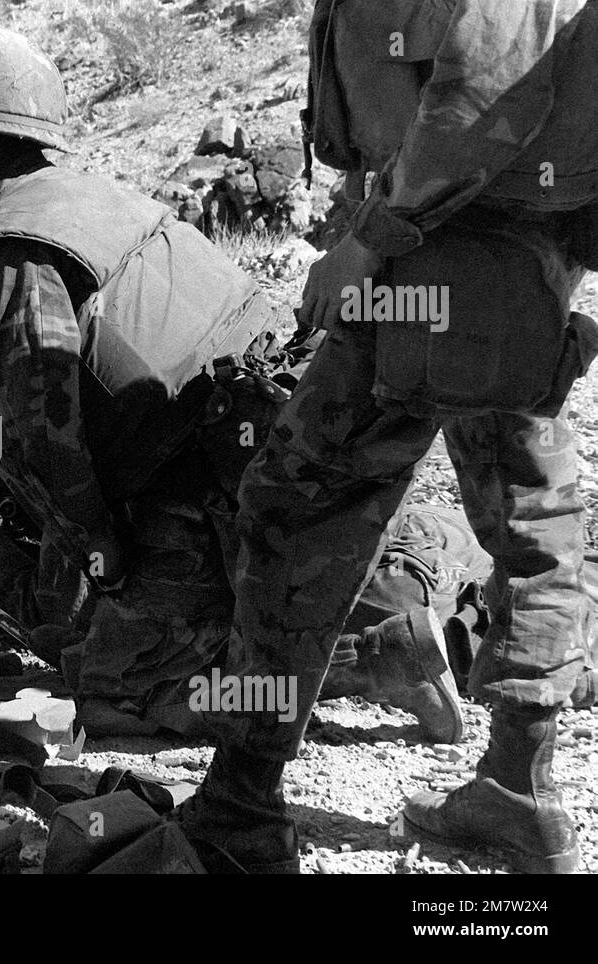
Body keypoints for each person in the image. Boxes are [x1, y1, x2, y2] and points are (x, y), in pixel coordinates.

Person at [0, 25, 466, 744]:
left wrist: (98, 557)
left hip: (204, 483)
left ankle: (376, 660)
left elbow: (51, 434)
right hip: (272, 440)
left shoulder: (13, 251)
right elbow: (59, 378)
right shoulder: (85, 197)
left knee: (114, 684)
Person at [170, 0, 598, 874]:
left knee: (297, 503)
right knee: (532, 508)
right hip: (512, 254)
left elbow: (486, 94)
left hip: (438, 254)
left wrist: (368, 243)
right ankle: (518, 791)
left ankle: (241, 802)